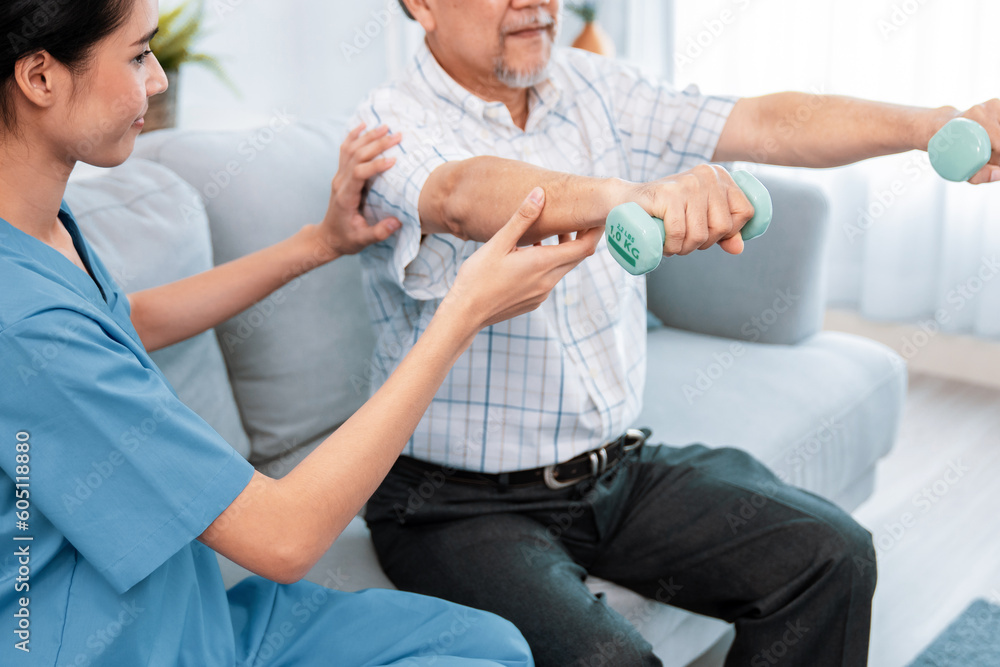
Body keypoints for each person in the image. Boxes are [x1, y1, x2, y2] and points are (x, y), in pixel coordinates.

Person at [352, 1, 1000, 665]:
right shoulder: (391, 118)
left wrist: (935, 125)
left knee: (830, 553)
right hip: (450, 504)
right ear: (422, 5)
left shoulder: (593, 84)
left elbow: (763, 121)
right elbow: (461, 195)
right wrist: (630, 197)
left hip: (612, 469)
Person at [0, 0, 603, 665]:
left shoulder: (42, 231)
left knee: (492, 643)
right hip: (124, 649)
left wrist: (318, 243)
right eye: (139, 55)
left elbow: (127, 321)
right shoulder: (24, 324)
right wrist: (460, 313)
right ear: (40, 78)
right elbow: (284, 539)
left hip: (199, 618)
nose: (158, 80)